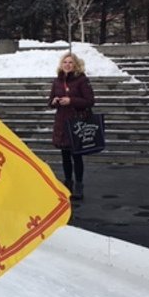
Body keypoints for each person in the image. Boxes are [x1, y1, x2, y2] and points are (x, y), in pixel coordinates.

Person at [48, 52, 95, 201]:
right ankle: (67, 184)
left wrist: (71, 100)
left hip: (77, 123)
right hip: (62, 122)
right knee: (65, 156)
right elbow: (49, 102)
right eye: (65, 62)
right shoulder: (57, 81)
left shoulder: (82, 80)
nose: (67, 65)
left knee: (77, 156)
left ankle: (79, 186)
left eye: (70, 62)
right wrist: (54, 101)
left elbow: (90, 101)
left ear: (75, 65)